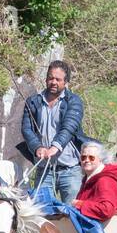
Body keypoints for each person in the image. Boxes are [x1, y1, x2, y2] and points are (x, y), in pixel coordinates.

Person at [17, 60, 86, 203]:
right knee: (42, 212)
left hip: (70, 169)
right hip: (44, 168)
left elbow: (69, 126)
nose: (53, 82)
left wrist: (55, 147)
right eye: (50, 78)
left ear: (66, 81)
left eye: (58, 79)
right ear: (46, 78)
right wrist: (37, 147)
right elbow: (27, 128)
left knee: (73, 214)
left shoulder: (74, 101)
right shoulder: (33, 101)